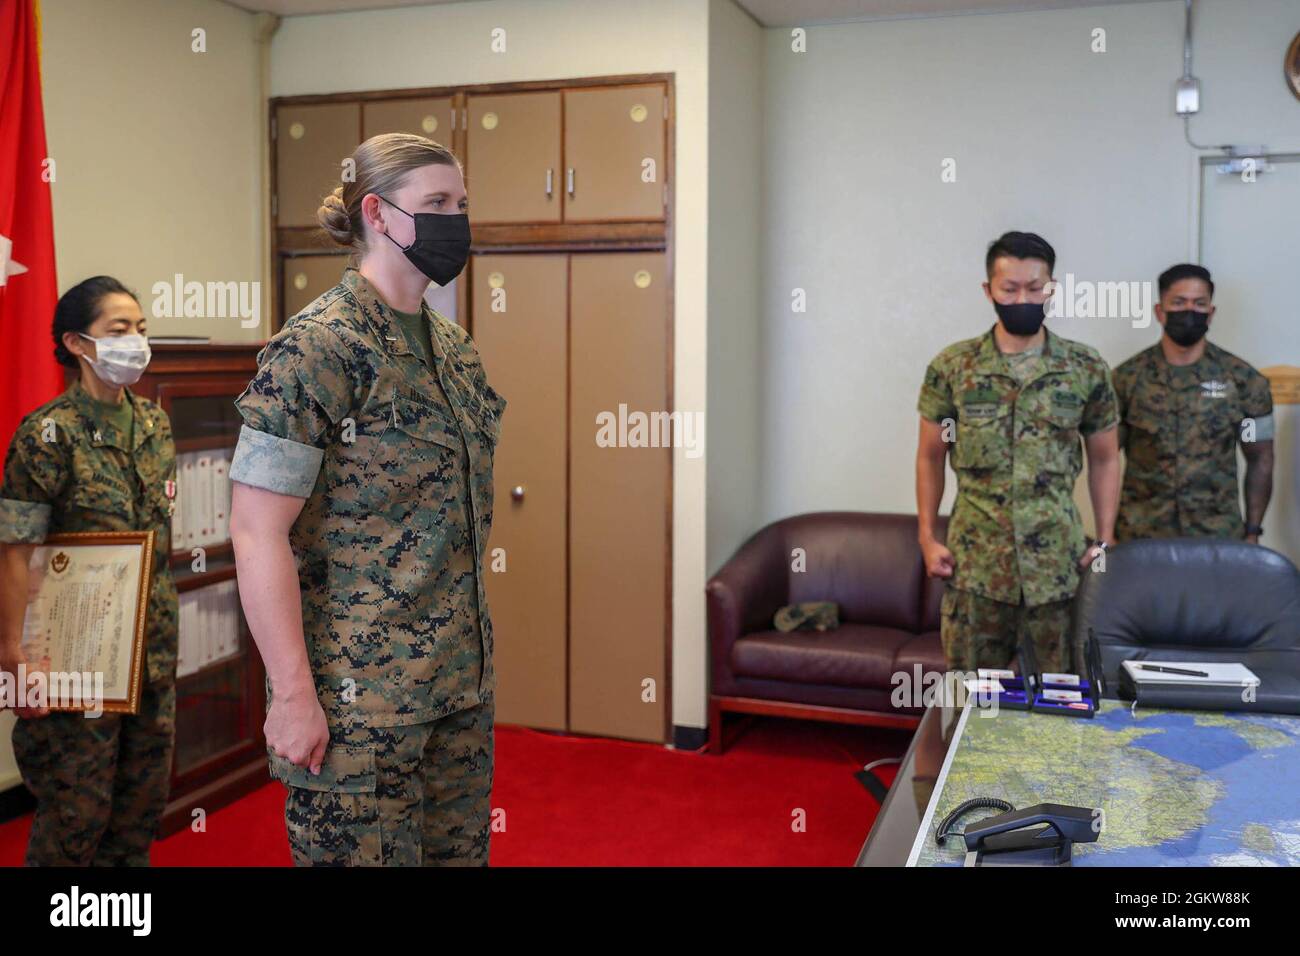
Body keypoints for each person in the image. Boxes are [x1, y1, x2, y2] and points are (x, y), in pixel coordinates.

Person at [228, 133, 506, 866]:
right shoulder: (318, 348)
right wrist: (292, 696)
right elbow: (257, 532)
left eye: (463, 204)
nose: (457, 220)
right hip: (358, 708)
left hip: (457, 693)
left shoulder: (453, 350)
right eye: (437, 204)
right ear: (378, 214)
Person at [0, 276, 177, 866]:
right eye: (119, 330)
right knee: (76, 818)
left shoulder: (155, 425)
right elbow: (15, 551)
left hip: (149, 657)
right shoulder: (48, 434)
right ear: (77, 343)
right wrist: (14, 657)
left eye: (141, 329)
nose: (136, 341)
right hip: (76, 658)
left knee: (138, 812)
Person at [915, 232, 1120, 674]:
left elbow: (1105, 457)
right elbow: (931, 455)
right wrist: (928, 537)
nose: (1022, 299)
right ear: (988, 290)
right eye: (1009, 289)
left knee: (1058, 707)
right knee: (969, 701)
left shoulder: (1084, 368)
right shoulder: (954, 368)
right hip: (975, 571)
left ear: (1052, 289)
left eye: (1034, 288)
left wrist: (1105, 537)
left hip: (1056, 574)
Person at [1114, 263, 1274, 543]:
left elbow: (1259, 457)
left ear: (1211, 313)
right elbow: (1105, 459)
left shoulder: (1244, 382)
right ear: (1159, 311)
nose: (1190, 311)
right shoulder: (1127, 380)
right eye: (1178, 302)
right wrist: (1106, 534)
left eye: (1199, 303)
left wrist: (1252, 531)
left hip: (1217, 536)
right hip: (1141, 536)